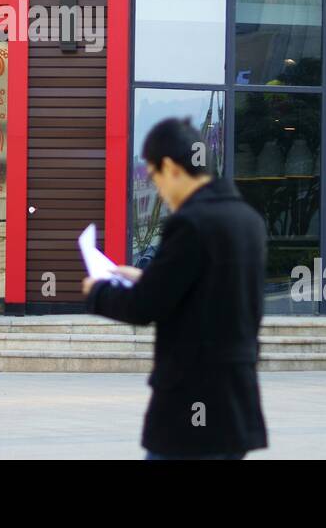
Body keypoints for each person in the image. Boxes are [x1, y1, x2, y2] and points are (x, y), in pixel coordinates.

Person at [83, 117, 267, 460]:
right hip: (236, 403)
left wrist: (97, 290)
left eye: (154, 177)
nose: (158, 190)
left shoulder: (190, 222)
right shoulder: (248, 221)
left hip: (189, 402)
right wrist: (144, 276)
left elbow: (143, 307)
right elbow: (210, 291)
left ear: (169, 167)